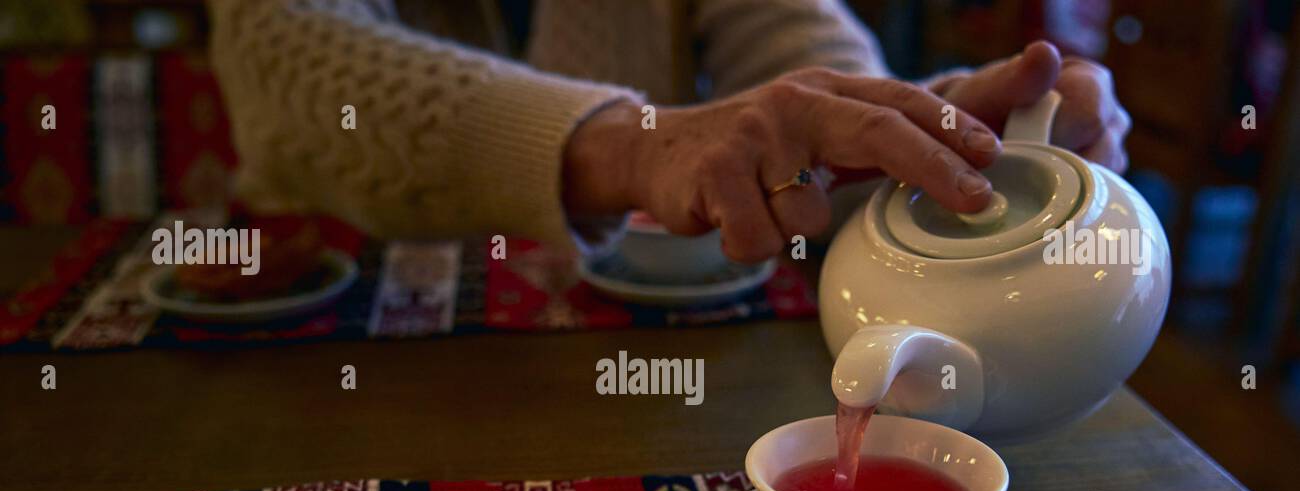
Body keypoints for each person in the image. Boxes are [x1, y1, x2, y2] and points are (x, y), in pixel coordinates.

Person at [209, 0, 1130, 262]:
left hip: (615, 357)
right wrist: (633, 148)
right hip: (316, 326)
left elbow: (801, 53)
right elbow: (282, 59)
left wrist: (924, 119)